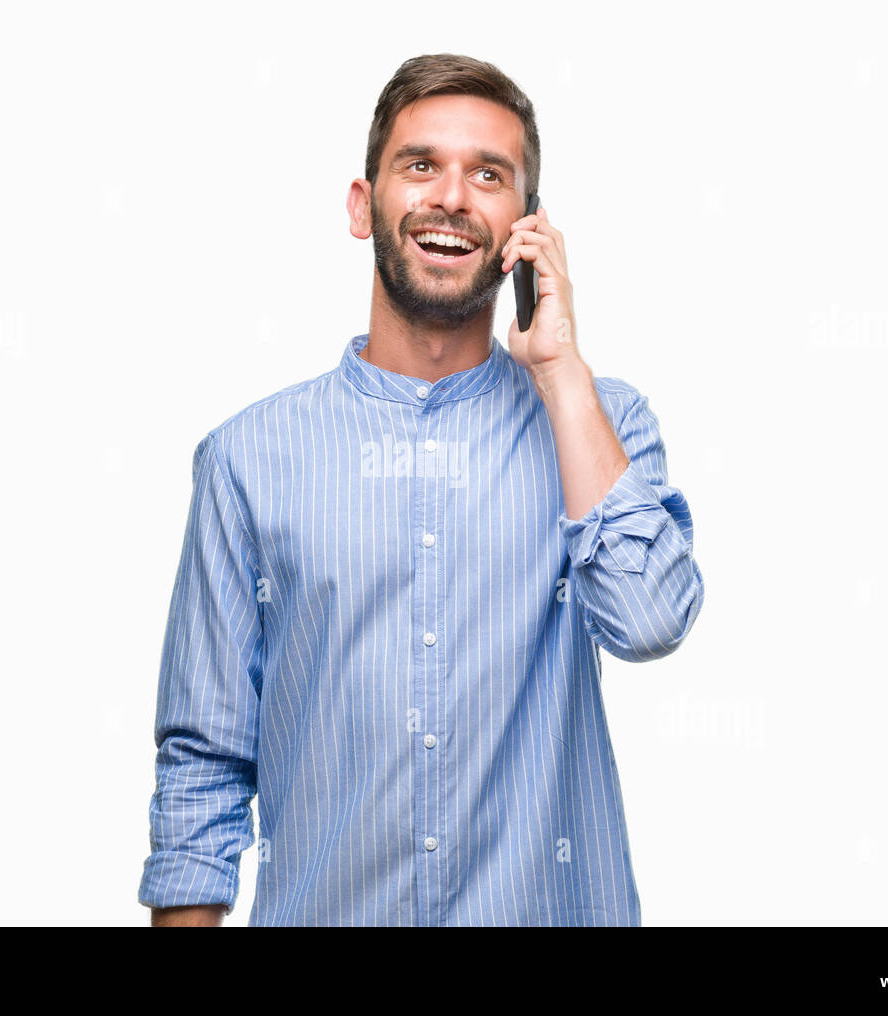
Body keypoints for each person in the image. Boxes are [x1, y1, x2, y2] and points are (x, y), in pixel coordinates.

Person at [140, 53, 704, 927]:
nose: (452, 197)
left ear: (527, 225)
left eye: (489, 174)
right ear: (365, 207)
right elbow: (203, 762)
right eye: (420, 165)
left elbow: (650, 618)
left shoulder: (599, 421)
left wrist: (557, 372)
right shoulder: (248, 460)